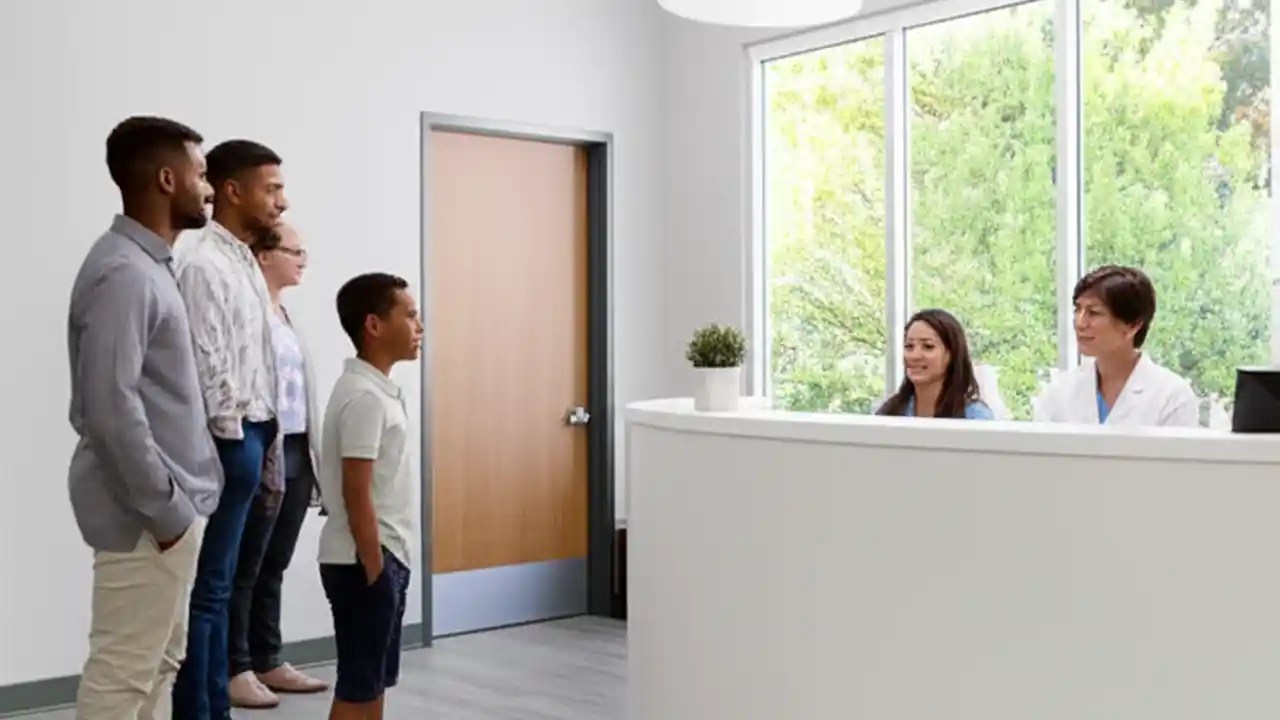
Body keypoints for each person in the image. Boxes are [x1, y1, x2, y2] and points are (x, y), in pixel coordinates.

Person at [68, 116, 221, 718]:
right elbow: (110, 407)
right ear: (166, 178)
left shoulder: (149, 266)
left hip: (164, 517)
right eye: (201, 173)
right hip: (146, 518)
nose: (208, 186)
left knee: (157, 667)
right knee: (122, 678)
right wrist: (168, 514)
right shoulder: (124, 273)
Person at [173, 139, 289, 719]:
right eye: (271, 189)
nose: (282, 202)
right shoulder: (202, 264)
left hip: (255, 434)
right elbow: (207, 363)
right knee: (208, 592)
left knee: (221, 589)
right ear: (233, 191)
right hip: (230, 439)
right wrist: (234, 440)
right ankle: (198, 711)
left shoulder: (242, 259)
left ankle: (214, 706)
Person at [227, 222, 329, 708]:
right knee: (243, 566)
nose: (303, 258)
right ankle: (236, 667)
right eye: (295, 250)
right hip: (259, 449)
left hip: (295, 452)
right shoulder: (249, 313)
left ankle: (267, 658)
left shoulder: (284, 313)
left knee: (274, 564)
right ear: (264, 256)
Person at [318, 272, 422, 720]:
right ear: (374, 326)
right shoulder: (364, 398)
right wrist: (376, 566)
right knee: (359, 685)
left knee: (373, 681)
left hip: (383, 556)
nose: (420, 326)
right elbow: (355, 491)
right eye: (411, 315)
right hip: (364, 561)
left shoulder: (377, 391)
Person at [1033, 264, 1199, 427]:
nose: (1080, 323)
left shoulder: (1173, 397)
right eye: (1078, 309)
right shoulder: (1058, 393)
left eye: (1094, 312)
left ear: (1133, 325)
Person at [876, 308, 995, 420]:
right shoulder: (890, 412)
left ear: (952, 354)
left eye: (928, 347)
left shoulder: (975, 416)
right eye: (909, 346)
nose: (914, 356)